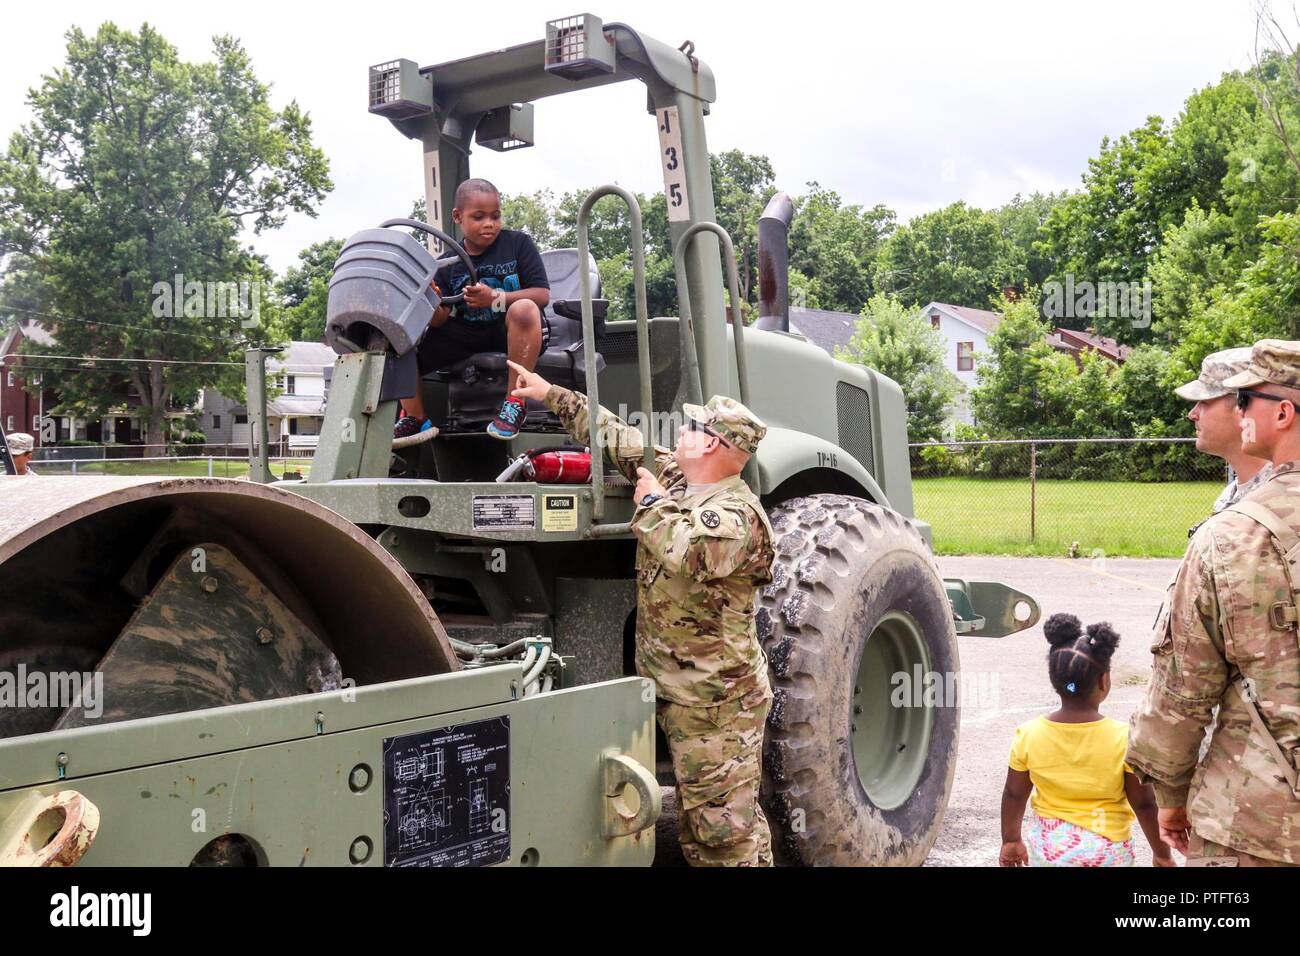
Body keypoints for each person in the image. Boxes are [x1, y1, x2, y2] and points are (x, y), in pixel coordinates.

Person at [508, 358, 775, 866]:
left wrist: (651, 501)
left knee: (722, 834)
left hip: (717, 703)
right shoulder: (679, 479)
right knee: (707, 827)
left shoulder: (735, 515)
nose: (682, 430)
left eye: (693, 427)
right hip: (682, 690)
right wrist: (550, 393)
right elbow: (617, 436)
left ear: (714, 444)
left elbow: (687, 551)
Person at [1127, 338, 1300, 867]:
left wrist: (1172, 798)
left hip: (1260, 821)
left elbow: (1183, 690)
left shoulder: (1232, 536)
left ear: (1283, 412)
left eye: (1243, 399)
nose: (1237, 410)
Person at [1000, 613, 1172, 867]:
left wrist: (1011, 840)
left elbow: (1014, 795)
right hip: (1106, 852)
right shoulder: (1123, 738)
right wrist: (1162, 854)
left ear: (1054, 681)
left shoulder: (1029, 734)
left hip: (1051, 849)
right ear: (1103, 681)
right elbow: (1144, 803)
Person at [394, 178, 551, 441]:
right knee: (397, 338)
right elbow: (440, 320)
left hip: (512, 331)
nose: (489, 223)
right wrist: (430, 301)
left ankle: (514, 404)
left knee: (524, 307)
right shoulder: (445, 264)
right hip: (467, 333)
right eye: (479, 217)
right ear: (458, 216)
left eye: (495, 216)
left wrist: (495, 299)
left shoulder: (518, 244)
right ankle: (416, 418)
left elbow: (542, 295)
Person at [1175, 347, 1271, 521]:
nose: (1192, 414)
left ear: (1243, 408)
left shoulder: (1283, 500)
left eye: (1204, 401)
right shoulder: (1230, 496)